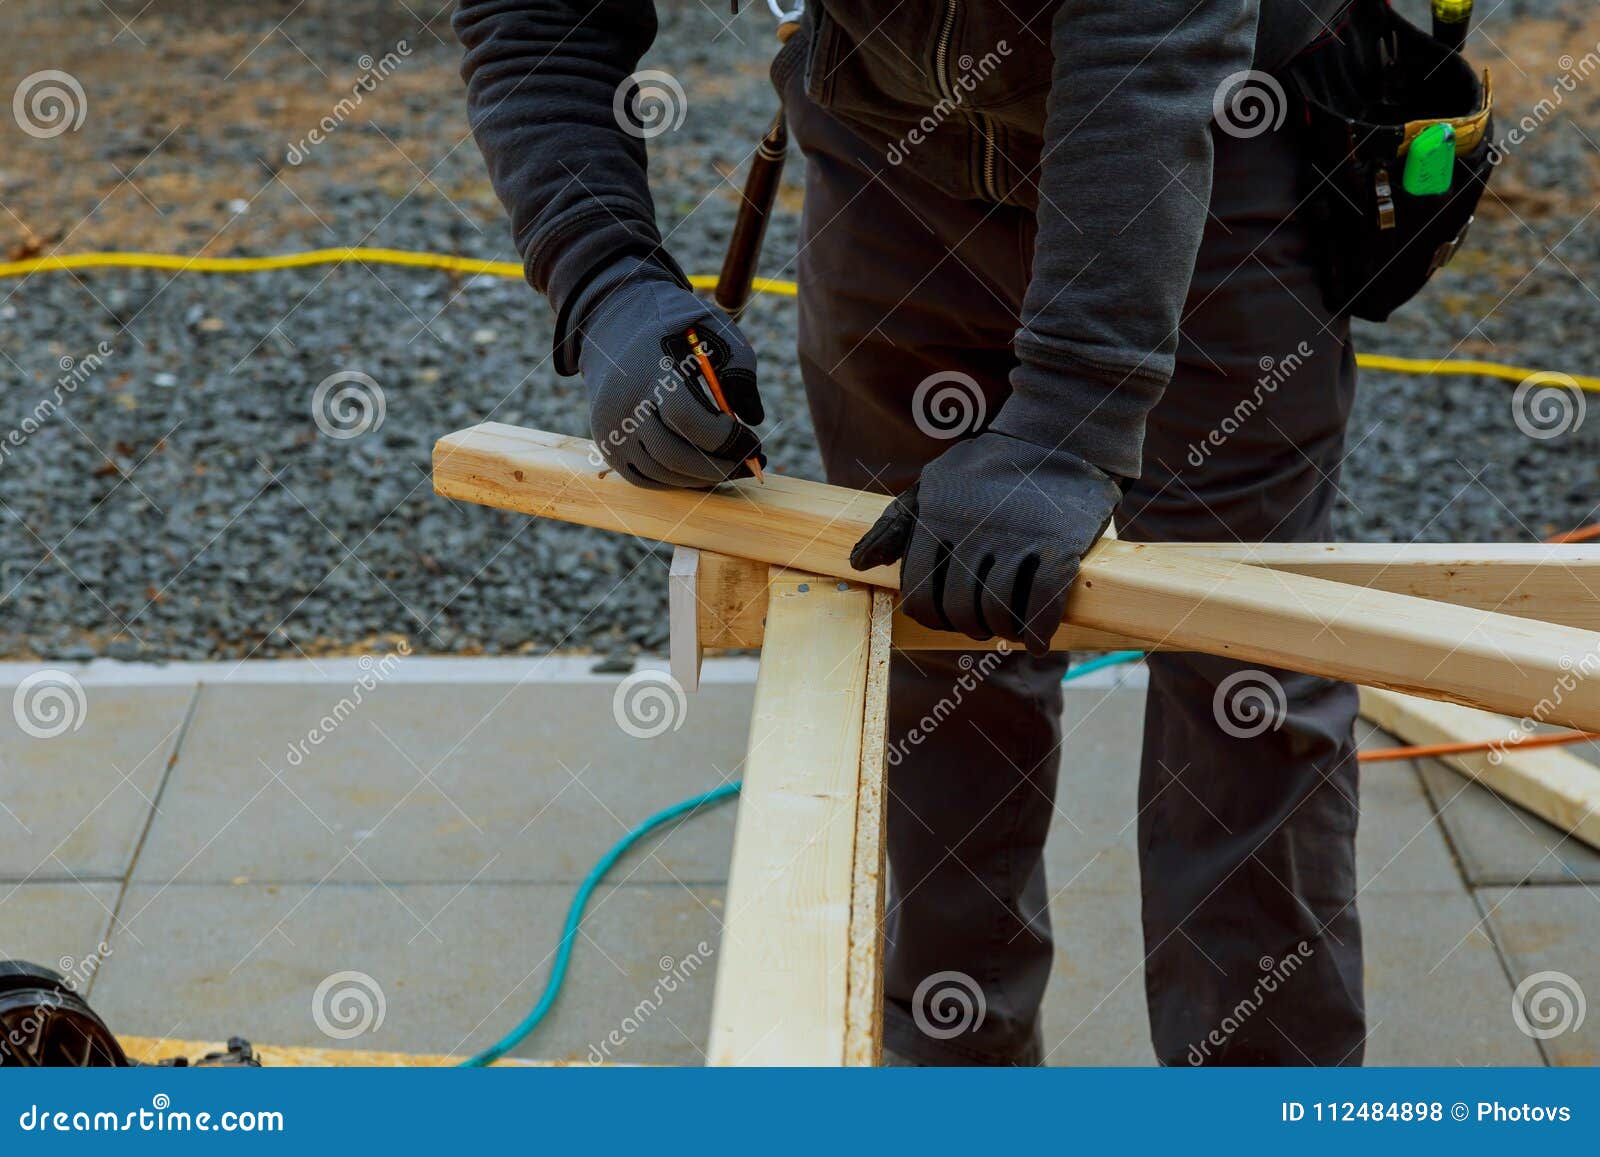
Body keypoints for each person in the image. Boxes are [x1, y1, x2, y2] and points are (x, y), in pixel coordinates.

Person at [455, 0, 1366, 1066]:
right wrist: (605, 280)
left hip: (1216, 144)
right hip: (892, 149)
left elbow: (1146, 46)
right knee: (929, 631)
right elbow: (538, 17)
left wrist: (1068, 416)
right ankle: (956, 1081)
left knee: (1244, 670)